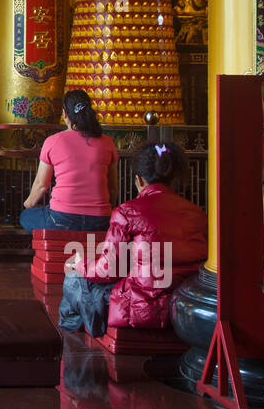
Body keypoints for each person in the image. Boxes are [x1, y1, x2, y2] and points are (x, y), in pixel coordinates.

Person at [58, 141, 208, 337]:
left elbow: (108, 269)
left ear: (138, 180)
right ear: (174, 179)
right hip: (185, 308)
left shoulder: (128, 212)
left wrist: (80, 265)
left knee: (74, 278)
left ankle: (70, 342)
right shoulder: (197, 213)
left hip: (142, 308)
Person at [20, 89, 119, 233]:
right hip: (100, 221)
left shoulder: (53, 141)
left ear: (65, 114)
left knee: (26, 216)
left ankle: (55, 250)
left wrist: (28, 204)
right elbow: (113, 188)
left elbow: (41, 185)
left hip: (62, 219)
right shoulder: (107, 142)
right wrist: (107, 212)